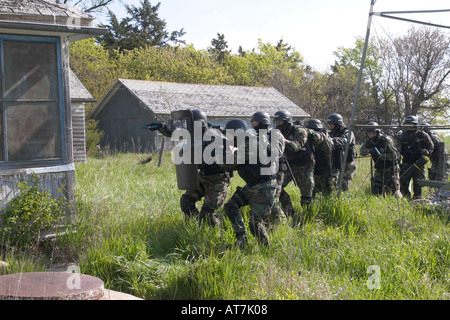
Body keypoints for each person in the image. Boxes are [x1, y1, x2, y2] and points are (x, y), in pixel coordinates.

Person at [159, 109, 231, 226]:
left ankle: (218, 232)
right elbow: (176, 133)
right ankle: (197, 226)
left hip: (218, 181)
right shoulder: (195, 135)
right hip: (203, 177)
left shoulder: (214, 137)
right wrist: (162, 127)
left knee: (207, 214)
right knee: (186, 202)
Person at [222, 112, 283, 248]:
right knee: (230, 207)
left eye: (230, 135)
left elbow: (231, 162)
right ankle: (241, 239)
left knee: (255, 222)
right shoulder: (244, 142)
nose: (228, 137)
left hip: (265, 187)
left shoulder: (252, 143)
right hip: (253, 186)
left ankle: (266, 248)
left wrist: (219, 154)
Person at [273, 110, 322, 214]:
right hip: (288, 165)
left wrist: (281, 140)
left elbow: (295, 146)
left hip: (304, 165)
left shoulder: (300, 131)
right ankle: (289, 211)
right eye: (276, 122)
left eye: (280, 122)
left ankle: (308, 216)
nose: (277, 125)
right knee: (277, 188)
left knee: (306, 195)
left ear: (287, 121)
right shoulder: (278, 132)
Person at [359, 122, 402, 198]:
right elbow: (361, 151)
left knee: (393, 192)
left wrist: (381, 156)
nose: (371, 136)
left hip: (391, 169)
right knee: (376, 191)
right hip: (379, 169)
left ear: (377, 132)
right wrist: (369, 151)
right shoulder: (370, 141)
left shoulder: (386, 140)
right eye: (369, 134)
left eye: (373, 133)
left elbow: (394, 155)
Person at [398, 115, 434, 199]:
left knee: (418, 184)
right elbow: (397, 148)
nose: (409, 127)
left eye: (411, 124)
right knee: (404, 182)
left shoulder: (423, 135)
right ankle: (406, 199)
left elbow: (431, 146)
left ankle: (417, 200)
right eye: (407, 125)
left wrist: (427, 152)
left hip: (419, 163)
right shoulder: (402, 136)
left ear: (415, 125)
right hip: (406, 162)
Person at [327, 113, 357, 192]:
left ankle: (342, 200)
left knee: (343, 185)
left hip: (348, 162)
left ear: (337, 124)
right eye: (329, 125)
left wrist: (332, 140)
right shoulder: (331, 132)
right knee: (332, 183)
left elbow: (345, 141)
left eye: (331, 125)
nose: (330, 127)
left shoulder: (348, 132)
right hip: (336, 161)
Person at [305, 119, 334, 197]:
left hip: (326, 171)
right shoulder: (311, 140)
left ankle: (327, 208)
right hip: (316, 169)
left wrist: (305, 130)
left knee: (328, 193)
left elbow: (316, 136)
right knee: (312, 192)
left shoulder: (323, 136)